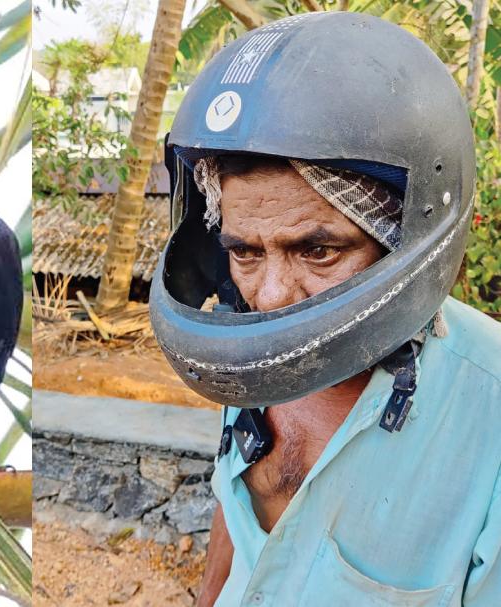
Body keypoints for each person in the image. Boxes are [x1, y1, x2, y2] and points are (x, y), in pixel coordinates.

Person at [147, 12, 501, 607]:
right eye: (246, 252)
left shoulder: (488, 413)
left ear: (402, 236)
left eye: (317, 250)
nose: (274, 296)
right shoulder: (258, 347)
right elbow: (235, 518)